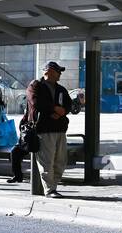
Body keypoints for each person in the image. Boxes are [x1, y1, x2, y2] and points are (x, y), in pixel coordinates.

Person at [25, 61, 81, 198]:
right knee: (46, 161)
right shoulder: (36, 85)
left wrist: (63, 111)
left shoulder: (61, 89)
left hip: (60, 128)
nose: (60, 74)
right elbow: (36, 102)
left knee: (61, 160)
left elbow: (68, 104)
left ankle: (53, 186)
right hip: (44, 129)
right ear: (48, 72)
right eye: (58, 71)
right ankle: (49, 189)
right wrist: (54, 109)